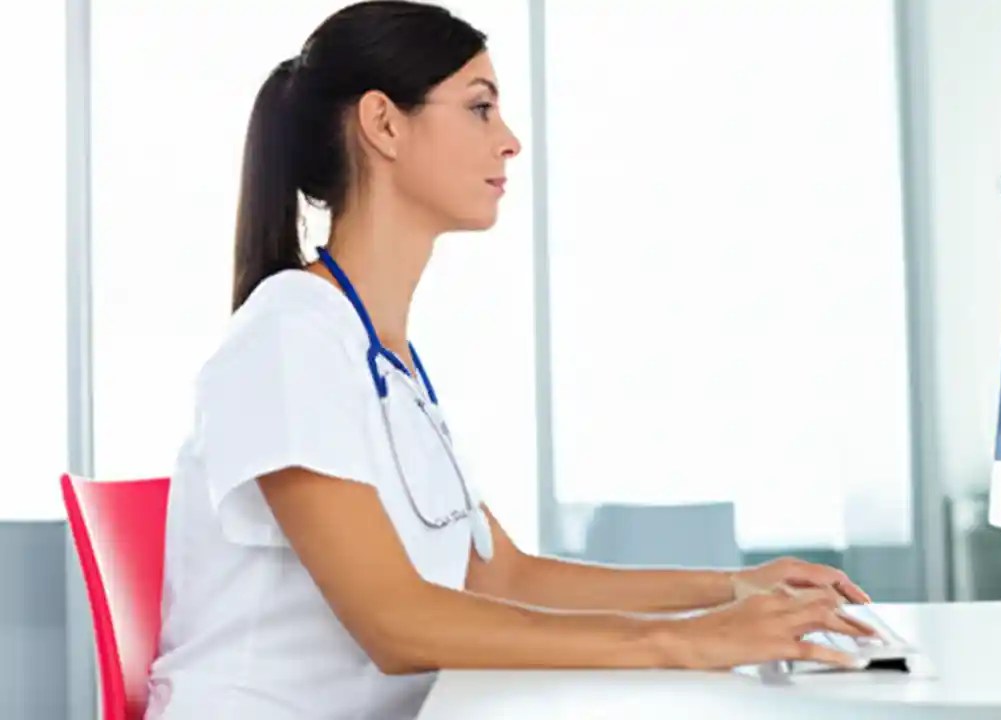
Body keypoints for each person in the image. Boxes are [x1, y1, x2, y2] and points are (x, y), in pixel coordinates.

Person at [145, 2, 873, 717]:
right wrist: (685, 642)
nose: (510, 141)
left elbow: (500, 576)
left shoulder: (383, 358)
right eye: (480, 108)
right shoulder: (288, 338)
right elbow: (398, 625)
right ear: (384, 123)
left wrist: (730, 590)